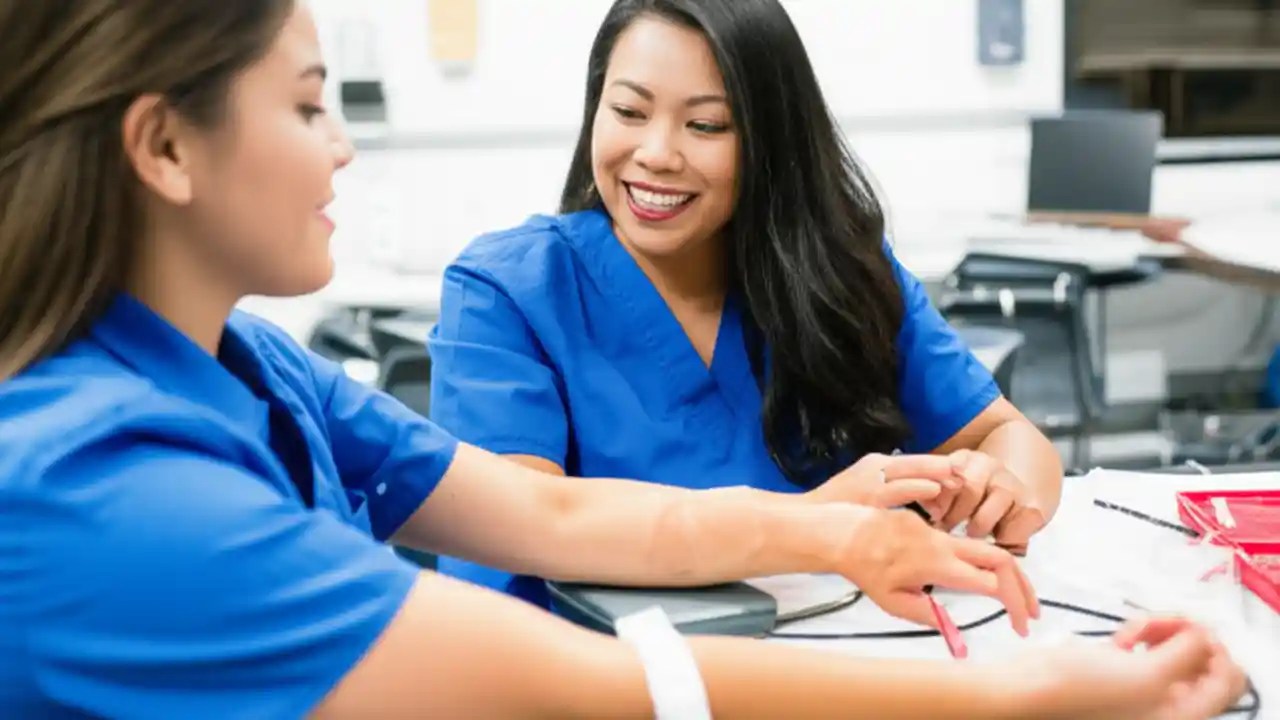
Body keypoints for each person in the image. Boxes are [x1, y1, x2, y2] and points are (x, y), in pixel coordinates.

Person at [0, 1, 1246, 718]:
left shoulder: (260, 369)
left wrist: (832, 534)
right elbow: (587, 683)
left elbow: (555, 512)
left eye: (705, 124)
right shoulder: (99, 484)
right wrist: (1011, 701)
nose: (343, 152)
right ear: (164, 148)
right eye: (311, 104)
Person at [430, 0, 1063, 605]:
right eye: (627, 111)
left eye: (706, 124)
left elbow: (1003, 434)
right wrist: (817, 527)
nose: (655, 153)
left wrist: (1002, 490)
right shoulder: (508, 291)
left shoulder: (841, 275)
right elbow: (523, 526)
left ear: (771, 141)